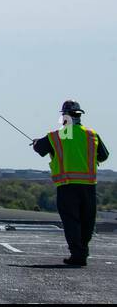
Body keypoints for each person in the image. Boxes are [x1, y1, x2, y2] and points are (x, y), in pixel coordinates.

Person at [31, 100, 108, 267]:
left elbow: (40, 149)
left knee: (71, 221)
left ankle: (78, 254)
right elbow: (103, 155)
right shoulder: (91, 134)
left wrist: (36, 143)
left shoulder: (58, 135)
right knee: (87, 220)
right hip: (89, 186)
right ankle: (83, 251)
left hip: (67, 186)